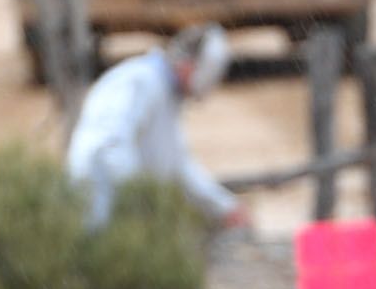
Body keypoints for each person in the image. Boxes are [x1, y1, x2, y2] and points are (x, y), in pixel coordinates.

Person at [67, 22, 245, 234]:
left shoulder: (165, 95)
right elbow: (109, 145)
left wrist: (225, 207)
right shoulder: (140, 81)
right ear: (188, 65)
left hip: (121, 210)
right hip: (100, 205)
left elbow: (179, 166)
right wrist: (140, 201)